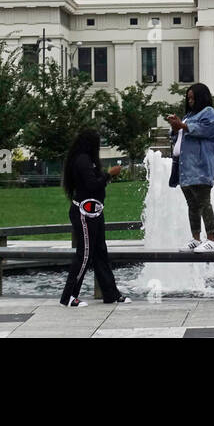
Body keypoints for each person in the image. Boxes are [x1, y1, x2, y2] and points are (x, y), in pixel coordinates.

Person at [59, 129, 129, 306]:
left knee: (100, 253)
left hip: (95, 212)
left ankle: (111, 294)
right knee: (84, 254)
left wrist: (105, 176)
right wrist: (109, 174)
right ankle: (69, 296)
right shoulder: (82, 160)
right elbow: (91, 185)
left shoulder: (88, 161)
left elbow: (94, 184)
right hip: (84, 213)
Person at [167, 82, 214, 252]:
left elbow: (205, 129)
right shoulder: (189, 115)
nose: (190, 101)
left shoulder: (208, 113)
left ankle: (211, 239)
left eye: (193, 98)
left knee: (204, 202)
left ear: (201, 97)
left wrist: (182, 126)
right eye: (188, 98)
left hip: (200, 168)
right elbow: (179, 135)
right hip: (186, 169)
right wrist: (176, 127)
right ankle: (196, 238)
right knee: (192, 204)